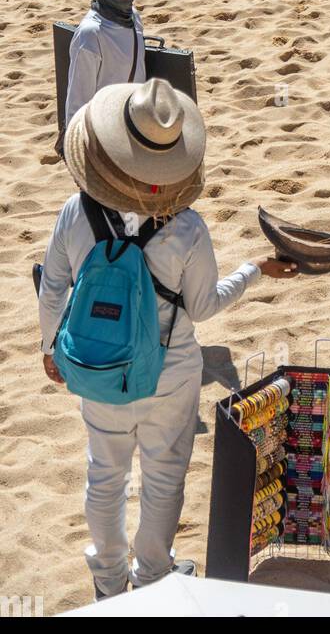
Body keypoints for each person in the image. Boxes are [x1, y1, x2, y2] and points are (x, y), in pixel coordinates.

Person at [38, 78, 298, 601]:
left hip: (96, 364)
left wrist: (50, 348)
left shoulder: (76, 211)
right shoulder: (188, 228)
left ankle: (109, 581)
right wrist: (254, 270)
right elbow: (203, 307)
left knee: (105, 473)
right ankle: (152, 574)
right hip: (169, 372)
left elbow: (52, 288)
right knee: (162, 478)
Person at [62, 0, 147, 155]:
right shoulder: (91, 34)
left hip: (133, 128)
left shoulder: (133, 16)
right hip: (102, 136)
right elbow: (77, 101)